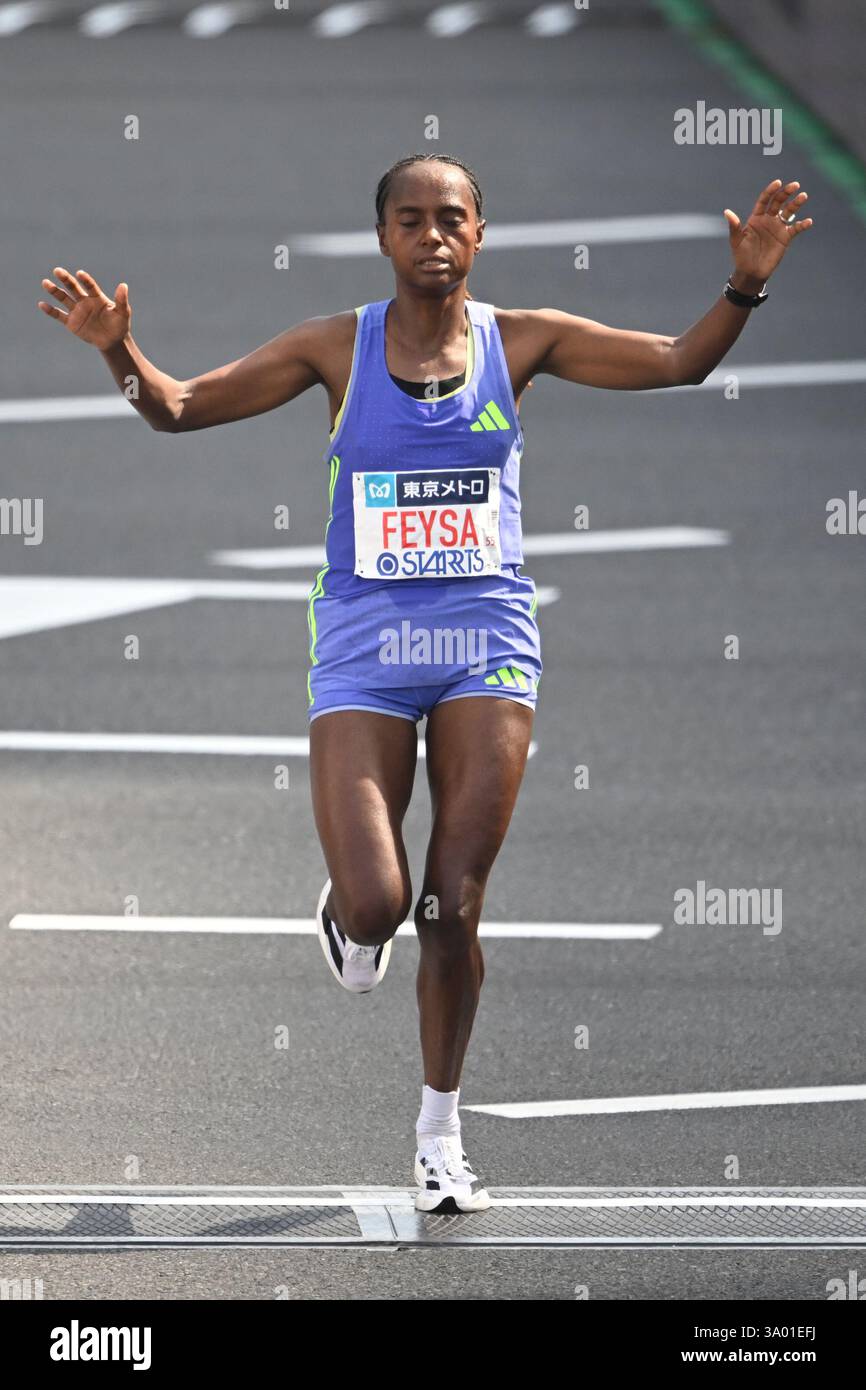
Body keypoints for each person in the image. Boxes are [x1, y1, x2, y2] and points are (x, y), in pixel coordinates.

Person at [38, 154, 812, 1213]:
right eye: (411, 220)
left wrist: (745, 284)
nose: (432, 235)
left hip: (484, 646)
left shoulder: (521, 339)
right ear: (384, 238)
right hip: (362, 644)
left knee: (450, 902)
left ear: (479, 235)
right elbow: (175, 409)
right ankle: (349, 917)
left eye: (451, 218)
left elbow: (677, 362)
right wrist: (117, 348)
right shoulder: (332, 348)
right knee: (379, 899)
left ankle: (438, 1132)